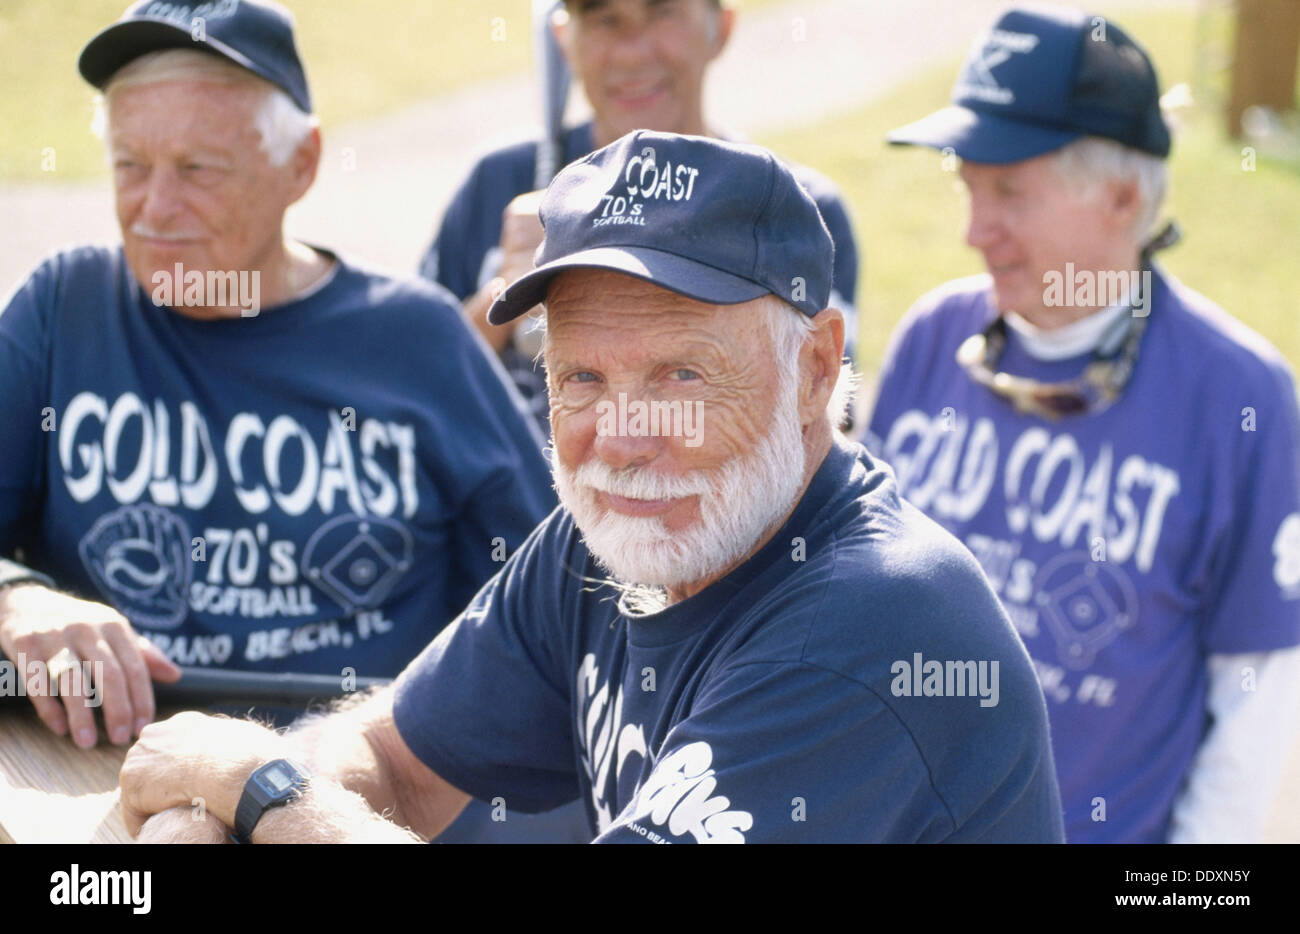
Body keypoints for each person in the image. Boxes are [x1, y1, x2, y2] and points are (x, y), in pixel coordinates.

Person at [119, 131, 1063, 844]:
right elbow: (394, 764)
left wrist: (255, 784)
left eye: (681, 376)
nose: (624, 439)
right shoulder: (615, 537)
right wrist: (214, 822)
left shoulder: (871, 626)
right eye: (581, 379)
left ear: (817, 368)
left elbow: (303, 790)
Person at [0, 0, 552, 755]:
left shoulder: (413, 336)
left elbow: (553, 597)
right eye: (130, 166)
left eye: (198, 169)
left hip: (359, 780)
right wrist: (17, 600)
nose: (155, 209)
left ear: (301, 165)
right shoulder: (66, 310)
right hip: (100, 774)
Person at [863, 6, 1300, 843]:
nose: (971, 229)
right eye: (966, 185)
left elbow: (1255, 696)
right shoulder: (932, 337)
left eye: (1009, 192)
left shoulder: (1237, 395)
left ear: (1123, 196)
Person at [421, 0, 861, 436]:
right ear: (563, 41)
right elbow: (406, 393)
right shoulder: (497, 185)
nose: (631, 52)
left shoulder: (795, 212)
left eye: (661, 12)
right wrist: (503, 292)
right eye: (602, 18)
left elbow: (825, 428)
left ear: (720, 29)